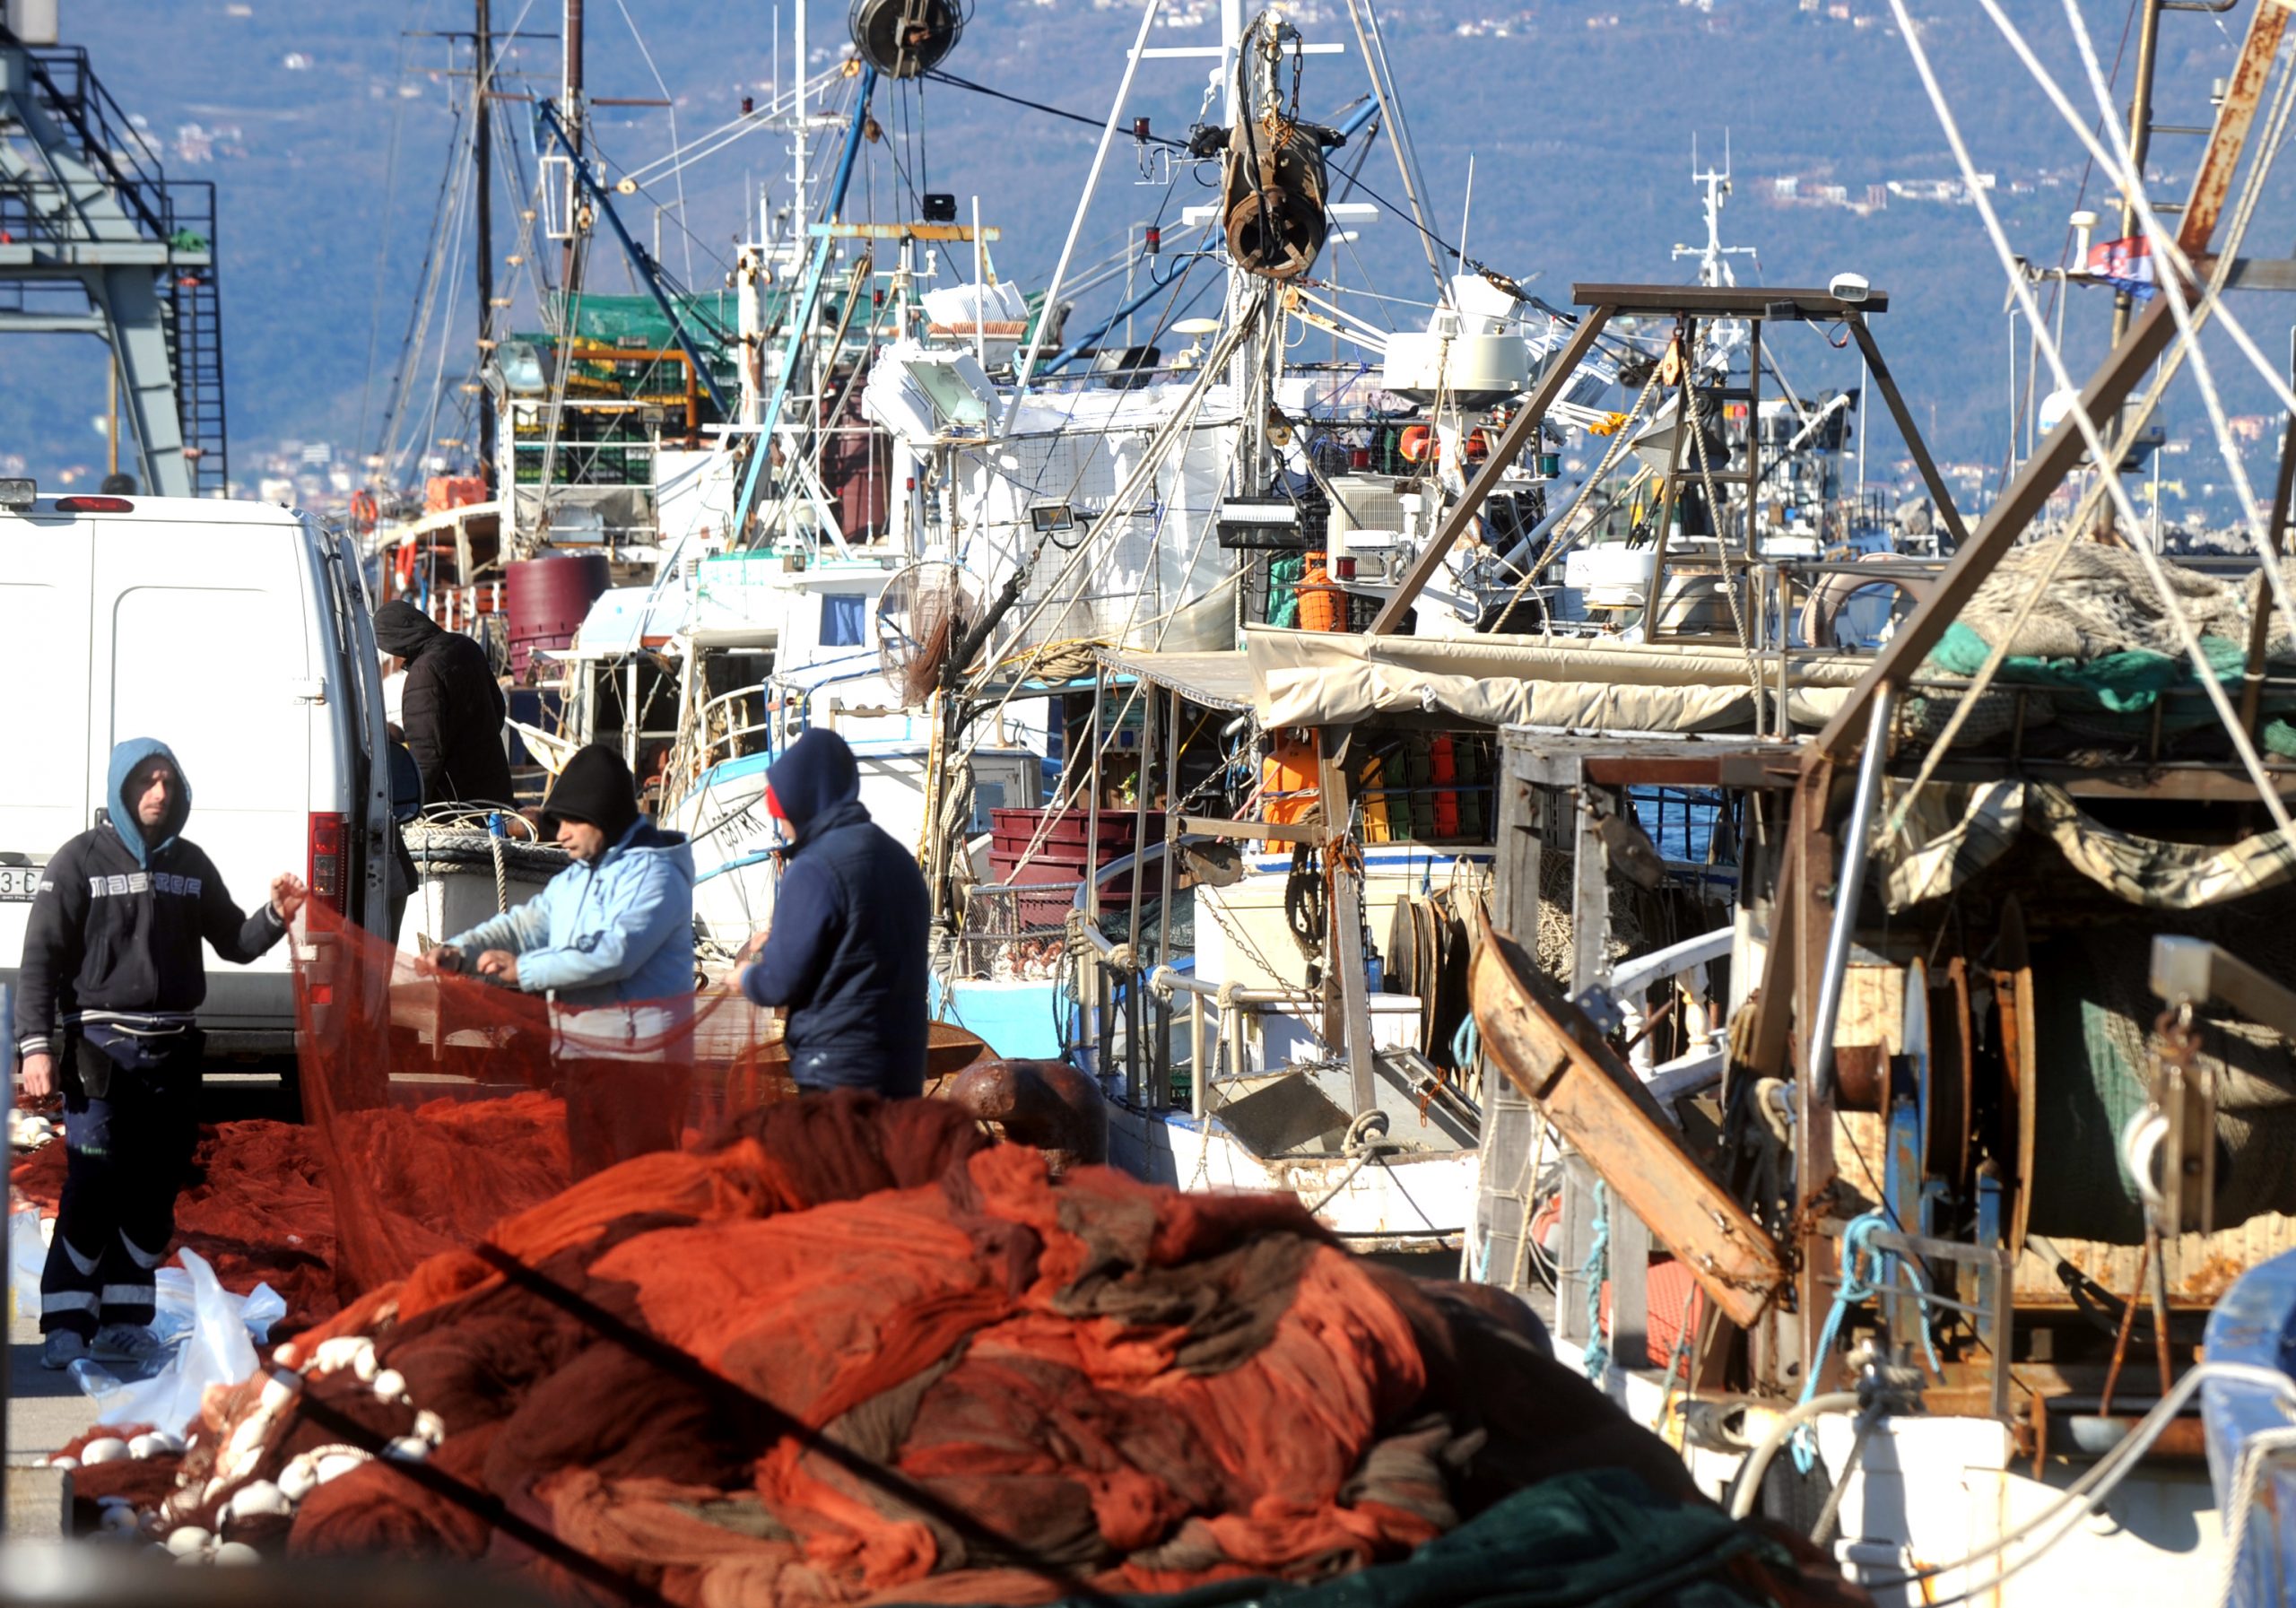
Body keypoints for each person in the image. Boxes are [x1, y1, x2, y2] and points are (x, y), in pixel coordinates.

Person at [13, 739, 308, 1369]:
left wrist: (276, 915)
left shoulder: (191, 864)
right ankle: (65, 1321)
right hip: (99, 1049)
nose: (159, 791)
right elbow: (38, 960)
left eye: (168, 780)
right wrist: (34, 1046)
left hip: (172, 1056)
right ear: (122, 788)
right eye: (146, 780)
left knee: (152, 1194)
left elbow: (234, 939)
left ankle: (125, 1319)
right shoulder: (77, 862)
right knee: (92, 1185)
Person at [419, 744, 694, 1174]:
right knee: (590, 1188)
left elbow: (614, 953)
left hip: (642, 1070)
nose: (560, 833)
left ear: (602, 815)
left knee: (637, 1194)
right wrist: (462, 950)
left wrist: (521, 970)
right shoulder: (576, 877)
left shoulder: (655, 875)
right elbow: (526, 924)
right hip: (587, 1059)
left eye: (570, 820)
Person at [738, 727, 930, 1097]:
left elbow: (778, 984)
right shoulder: (899, 859)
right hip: (903, 1067)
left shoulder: (812, 868)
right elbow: (859, 946)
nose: (781, 826)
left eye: (781, 812)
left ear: (799, 802)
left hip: (838, 1072)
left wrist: (747, 976)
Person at [371, 599, 515, 805]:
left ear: (393, 641)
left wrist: (413, 805)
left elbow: (427, 753)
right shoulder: (466, 645)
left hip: (457, 802)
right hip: (495, 787)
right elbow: (498, 709)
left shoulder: (423, 673)